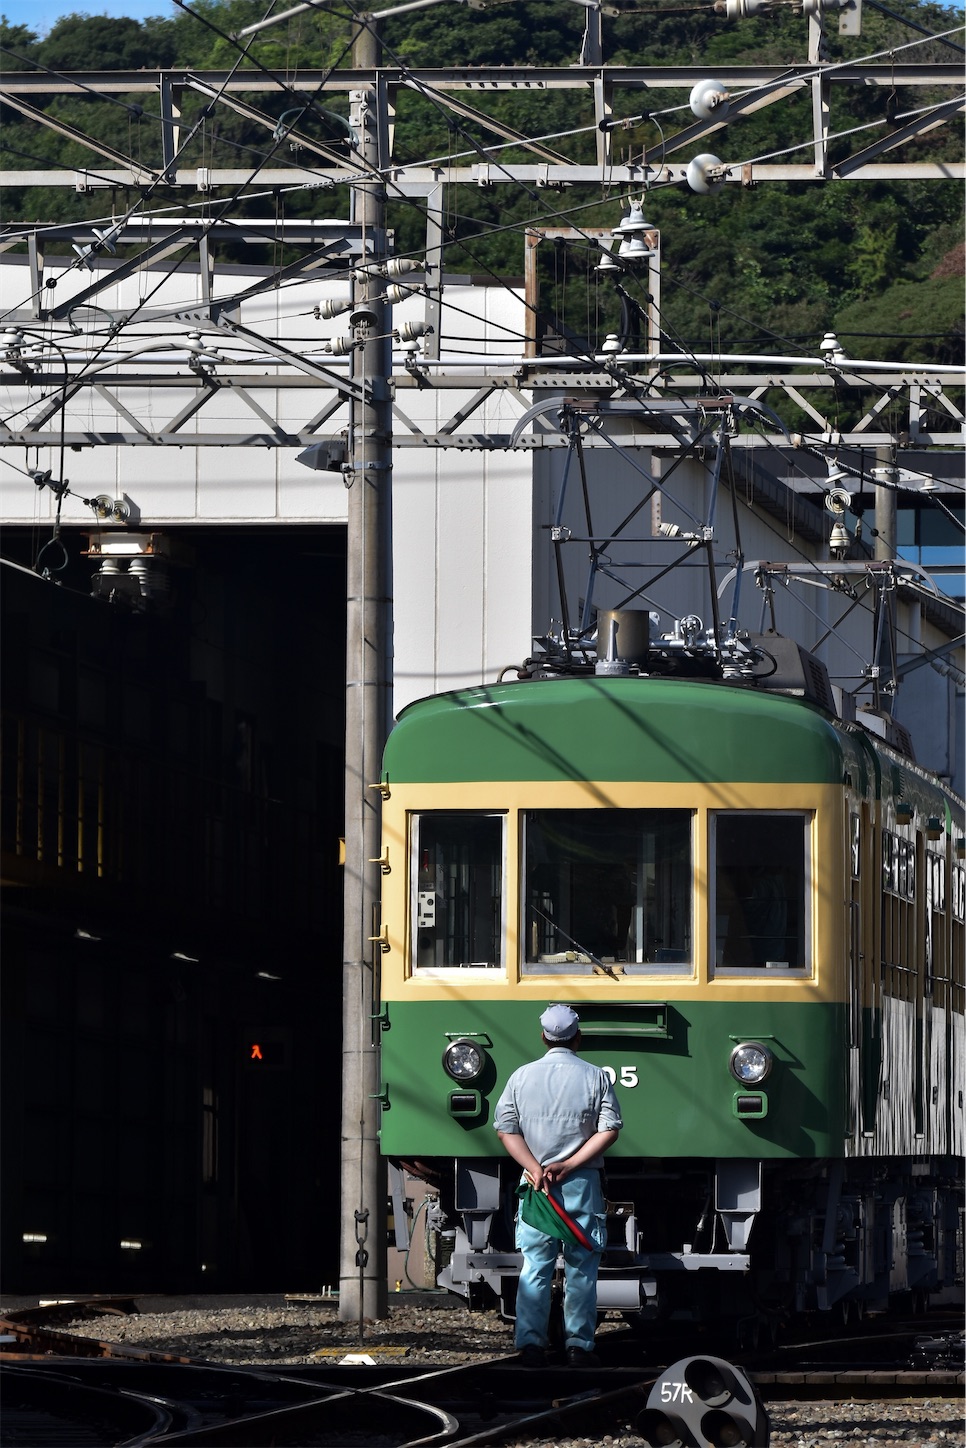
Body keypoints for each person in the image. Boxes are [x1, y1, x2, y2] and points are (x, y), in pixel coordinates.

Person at [494, 1003, 622, 1367]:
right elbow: (609, 1129)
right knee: (581, 1268)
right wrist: (569, 1164)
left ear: (543, 1037)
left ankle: (530, 1345)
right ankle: (578, 1346)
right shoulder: (596, 1077)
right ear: (578, 1037)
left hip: (537, 1190)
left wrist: (535, 1168)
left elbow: (506, 1129)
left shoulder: (521, 1077)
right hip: (580, 1184)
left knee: (535, 1266)